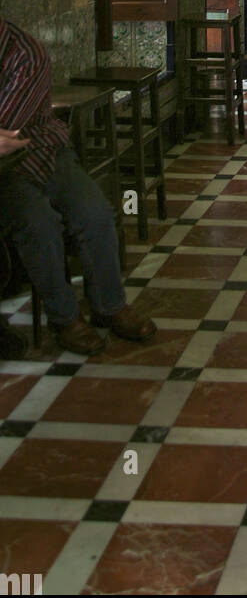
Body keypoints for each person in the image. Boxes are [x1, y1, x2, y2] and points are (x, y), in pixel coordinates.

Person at [0, 18, 156, 357]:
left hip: (41, 151)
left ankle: (109, 306)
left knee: (96, 214)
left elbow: (8, 132)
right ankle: (65, 318)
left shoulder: (25, 53)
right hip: (4, 173)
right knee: (40, 225)